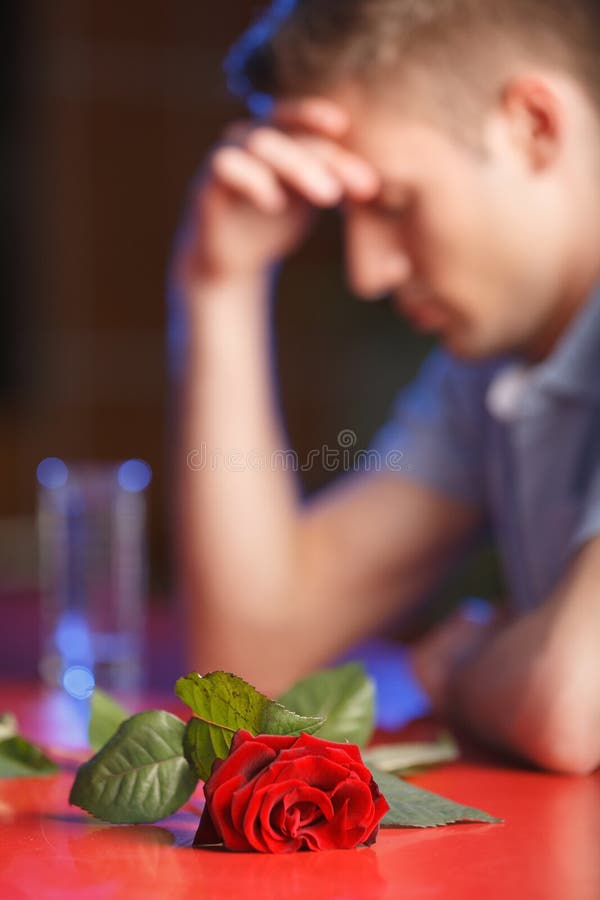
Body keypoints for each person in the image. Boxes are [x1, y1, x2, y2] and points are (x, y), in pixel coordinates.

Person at [171, 0, 600, 774]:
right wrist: (220, 284)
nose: (369, 274)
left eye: (395, 206)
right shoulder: (496, 365)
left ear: (534, 125)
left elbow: (567, 699)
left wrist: (466, 667)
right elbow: (252, 649)